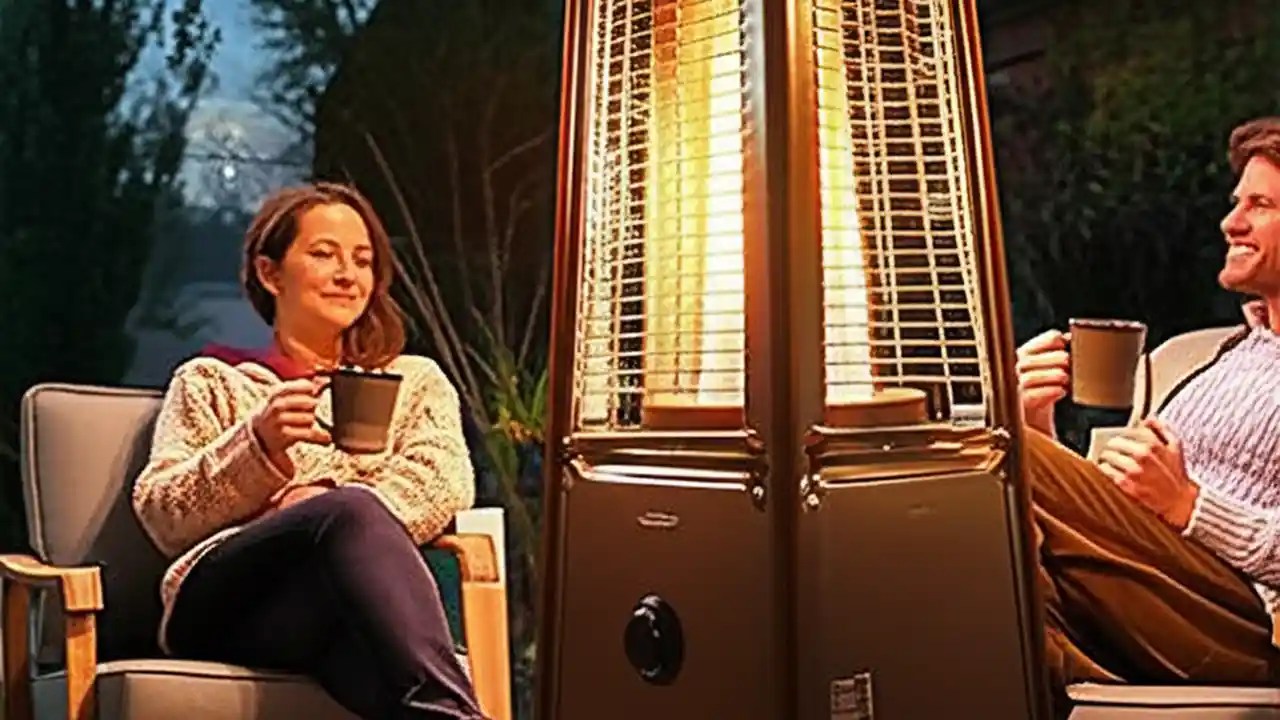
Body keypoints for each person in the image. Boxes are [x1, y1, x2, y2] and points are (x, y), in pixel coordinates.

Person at [131, 182, 490, 719]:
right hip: (229, 607)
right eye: (324, 254)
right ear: (270, 272)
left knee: (370, 654)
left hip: (336, 609)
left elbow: (441, 482)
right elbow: (163, 514)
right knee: (350, 519)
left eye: (363, 260)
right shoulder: (213, 382)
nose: (348, 275)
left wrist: (321, 501)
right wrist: (256, 447)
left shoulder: (414, 382)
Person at [1016, 116, 1280, 716]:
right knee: (989, 537)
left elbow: (1168, 504)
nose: (1230, 222)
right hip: (1152, 586)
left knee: (999, 456)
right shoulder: (1220, 354)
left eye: (1259, 205)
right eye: (1236, 202)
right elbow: (1113, 514)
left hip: (1240, 618)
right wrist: (1037, 423)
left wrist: (1192, 507)